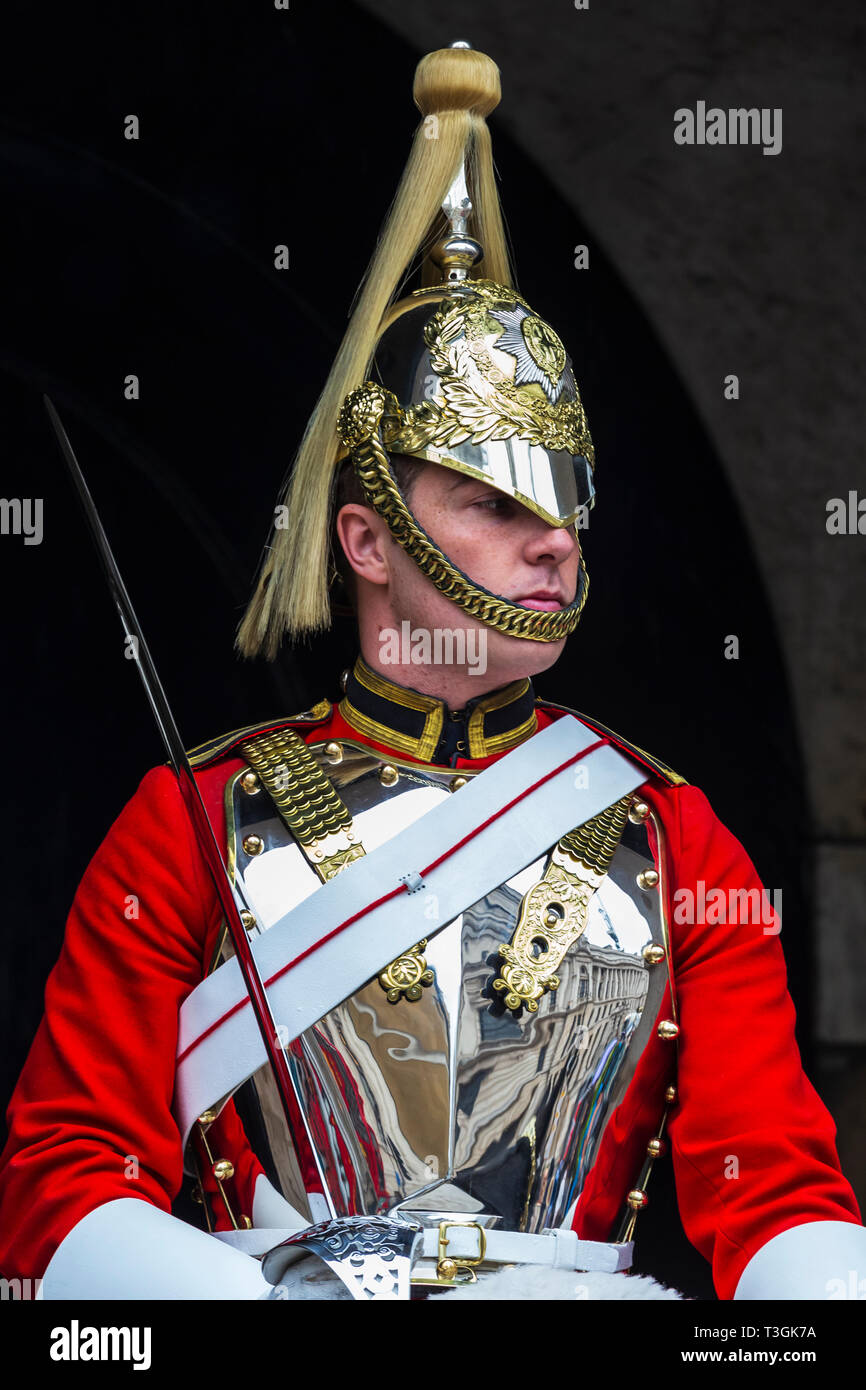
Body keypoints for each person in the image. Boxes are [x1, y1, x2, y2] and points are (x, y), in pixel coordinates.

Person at [0, 42, 863, 1303]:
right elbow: (61, 1181)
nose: (553, 537)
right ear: (367, 540)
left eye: (564, 500)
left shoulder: (677, 837)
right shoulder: (190, 821)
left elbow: (773, 1191)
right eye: (488, 500)